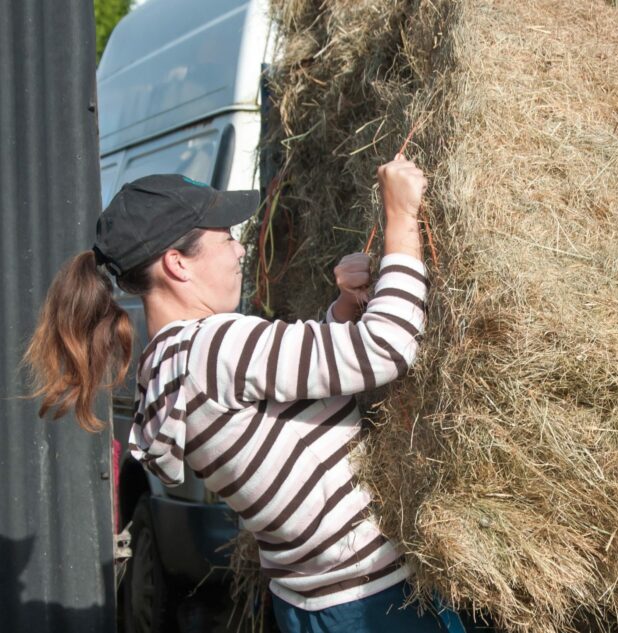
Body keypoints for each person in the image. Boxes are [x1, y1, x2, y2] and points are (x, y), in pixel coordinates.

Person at [24, 157, 466, 633]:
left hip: (316, 602)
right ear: (177, 264)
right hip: (369, 603)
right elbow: (387, 347)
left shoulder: (172, 362)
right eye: (227, 238)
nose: (240, 252)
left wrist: (339, 313)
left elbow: (276, 398)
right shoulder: (209, 347)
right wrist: (401, 219)